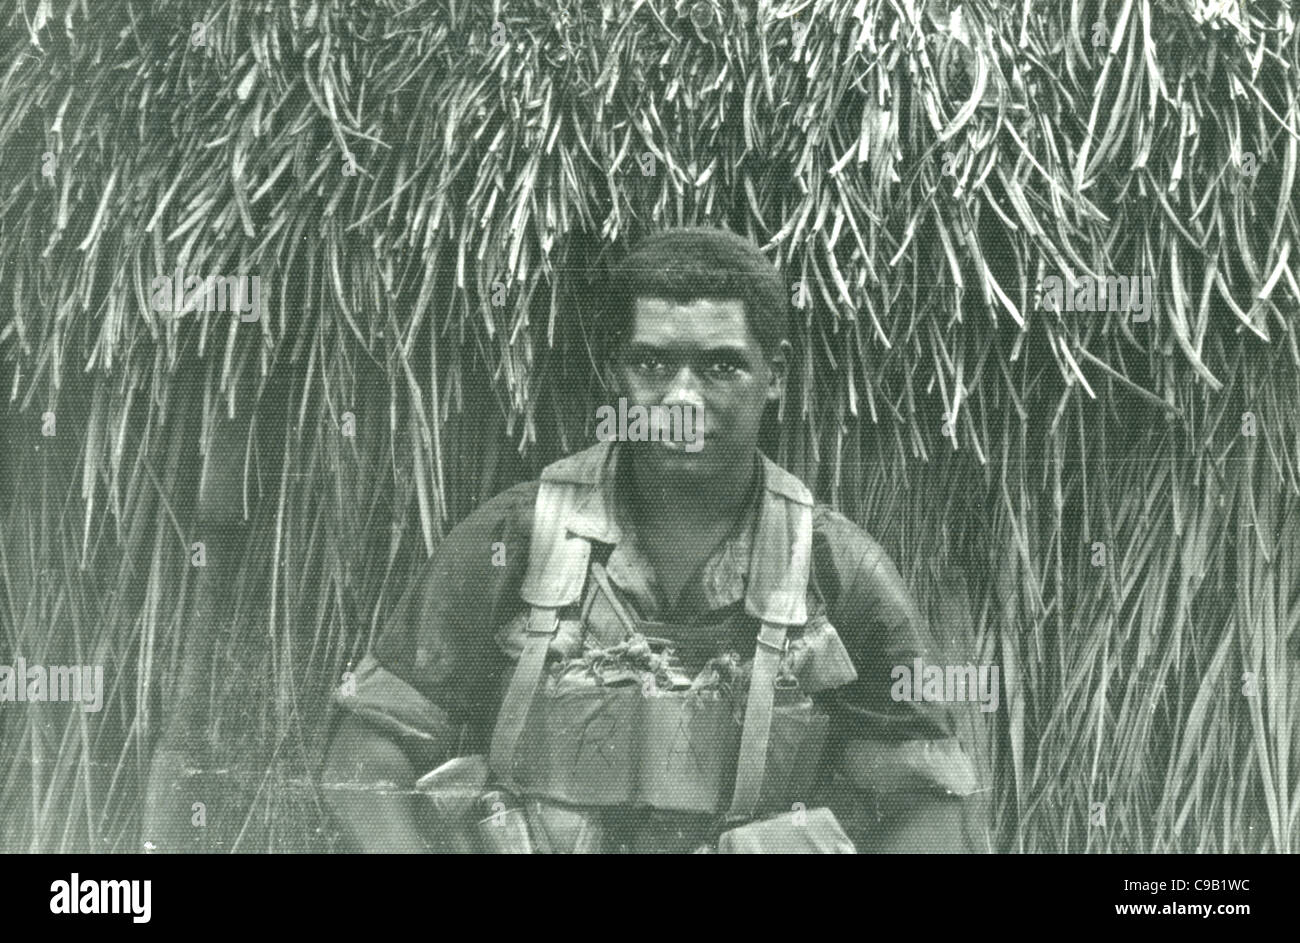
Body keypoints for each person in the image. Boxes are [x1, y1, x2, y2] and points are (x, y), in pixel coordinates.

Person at [321, 226, 990, 853]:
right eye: (653, 362)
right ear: (617, 369)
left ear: (776, 373)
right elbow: (366, 750)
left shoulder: (837, 570)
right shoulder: (520, 538)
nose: (682, 397)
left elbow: (932, 798)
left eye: (721, 366)